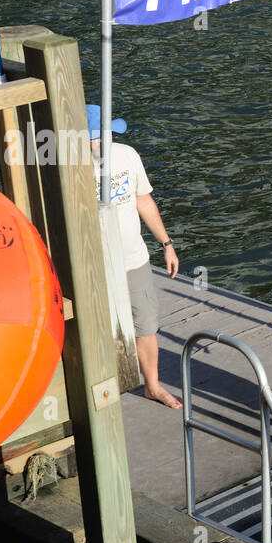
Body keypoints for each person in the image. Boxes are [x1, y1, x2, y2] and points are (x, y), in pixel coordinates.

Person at [87, 104, 181, 409]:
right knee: (97, 328)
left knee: (146, 325)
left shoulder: (127, 155)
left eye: (108, 135)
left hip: (134, 259)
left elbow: (143, 199)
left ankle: (152, 385)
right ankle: (97, 389)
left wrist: (166, 244)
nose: (105, 143)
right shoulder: (70, 168)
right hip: (94, 266)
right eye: (98, 138)